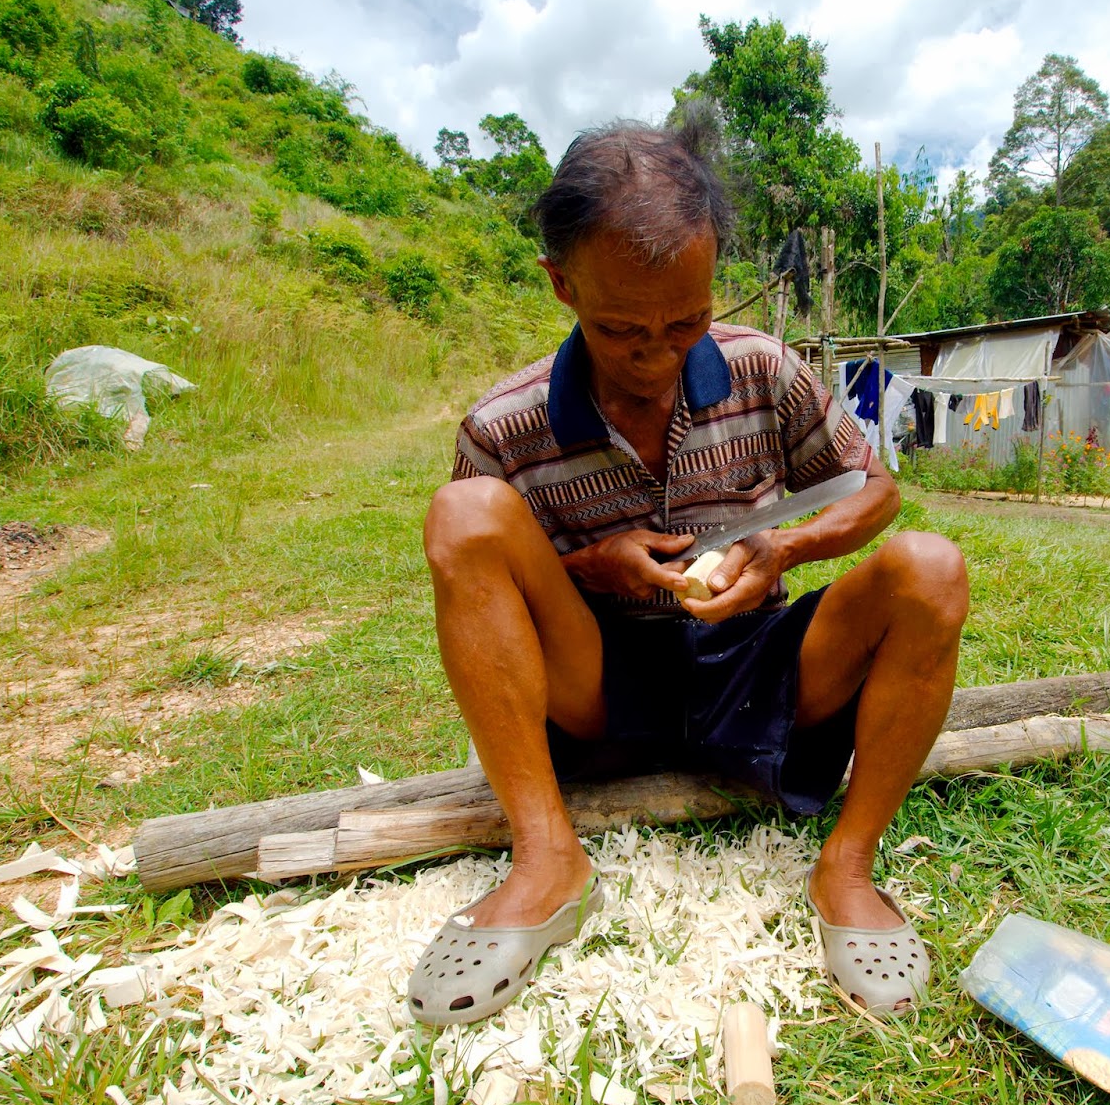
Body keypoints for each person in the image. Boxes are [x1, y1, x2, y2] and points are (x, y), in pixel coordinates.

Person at [410, 121, 969, 1026]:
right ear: (562, 285)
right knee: (461, 512)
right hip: (600, 683)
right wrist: (589, 564)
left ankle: (849, 863)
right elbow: (486, 584)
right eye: (621, 327)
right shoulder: (503, 426)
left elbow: (875, 491)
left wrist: (779, 549)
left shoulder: (762, 368)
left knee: (931, 569)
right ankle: (548, 855)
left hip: (756, 667)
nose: (658, 354)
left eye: (687, 321)